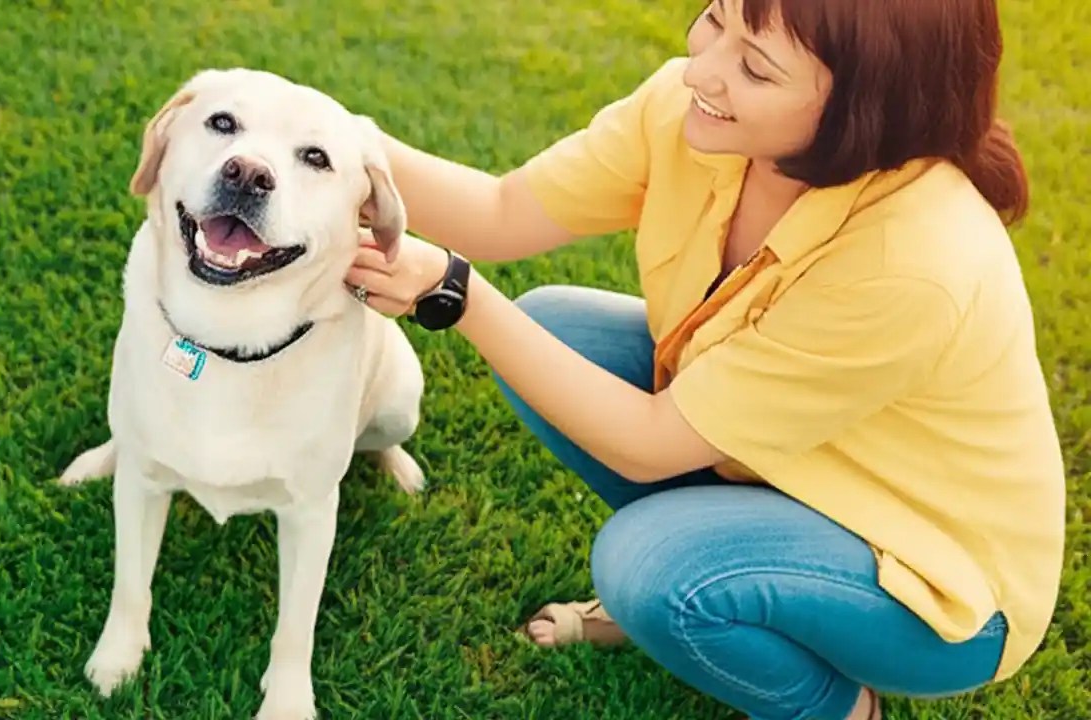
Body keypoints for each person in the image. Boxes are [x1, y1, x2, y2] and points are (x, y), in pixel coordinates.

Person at [343, 1, 1067, 718]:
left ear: (861, 110)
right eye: (716, 19)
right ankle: (710, 570)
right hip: (796, 465)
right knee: (552, 331)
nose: (702, 69)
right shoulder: (694, 116)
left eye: (754, 67)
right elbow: (501, 211)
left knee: (647, 566)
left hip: (933, 584)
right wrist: (338, 138)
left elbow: (651, 444)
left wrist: (457, 293)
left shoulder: (912, 261)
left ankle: (836, 705)